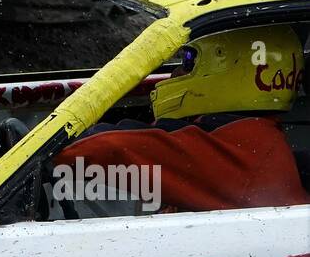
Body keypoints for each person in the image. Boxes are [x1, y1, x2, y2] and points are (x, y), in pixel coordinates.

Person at [51, 26, 308, 214]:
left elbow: (108, 147)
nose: (175, 73)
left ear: (228, 66)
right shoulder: (255, 137)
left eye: (188, 60)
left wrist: (43, 147)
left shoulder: (230, 150)